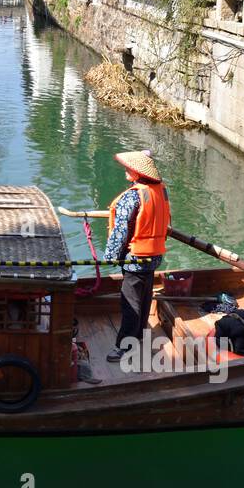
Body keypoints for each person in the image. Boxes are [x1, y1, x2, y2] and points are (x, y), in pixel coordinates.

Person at [102, 150, 172, 363]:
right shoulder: (161, 191)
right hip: (155, 254)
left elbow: (120, 231)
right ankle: (139, 335)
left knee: (130, 302)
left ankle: (125, 346)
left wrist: (111, 256)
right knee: (144, 297)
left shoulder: (133, 195)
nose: (126, 170)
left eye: (128, 168)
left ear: (137, 172)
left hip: (135, 257)